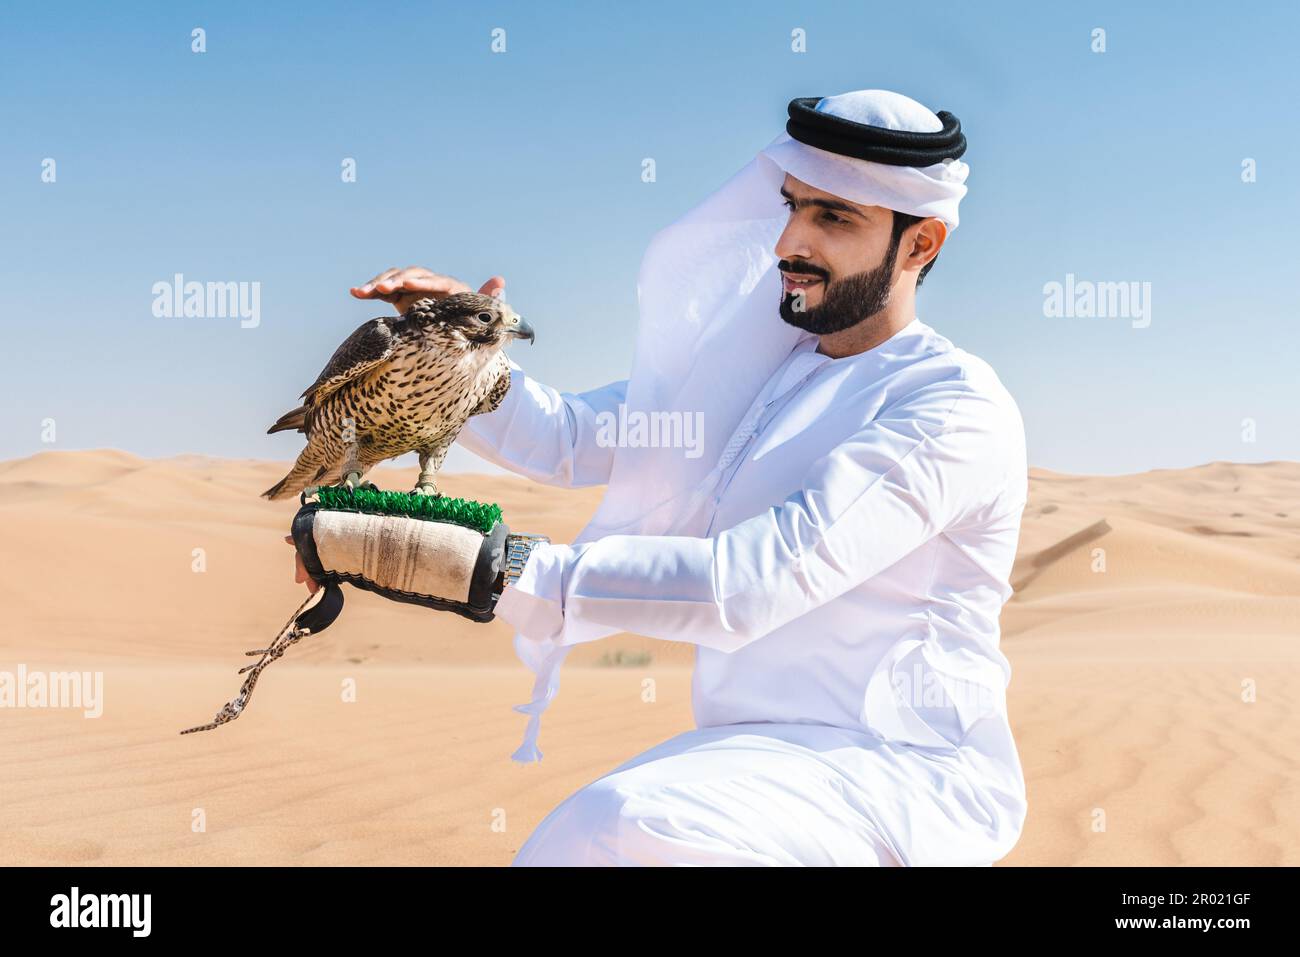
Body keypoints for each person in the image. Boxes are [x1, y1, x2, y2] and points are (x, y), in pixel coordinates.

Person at [292, 89, 1030, 866]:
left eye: (833, 218)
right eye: (793, 207)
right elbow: (571, 437)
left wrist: (508, 570)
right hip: (753, 755)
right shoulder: (763, 369)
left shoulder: (950, 408)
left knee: (633, 824)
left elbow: (751, 582)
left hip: (902, 771)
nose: (790, 241)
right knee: (570, 849)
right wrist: (453, 352)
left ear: (921, 244)